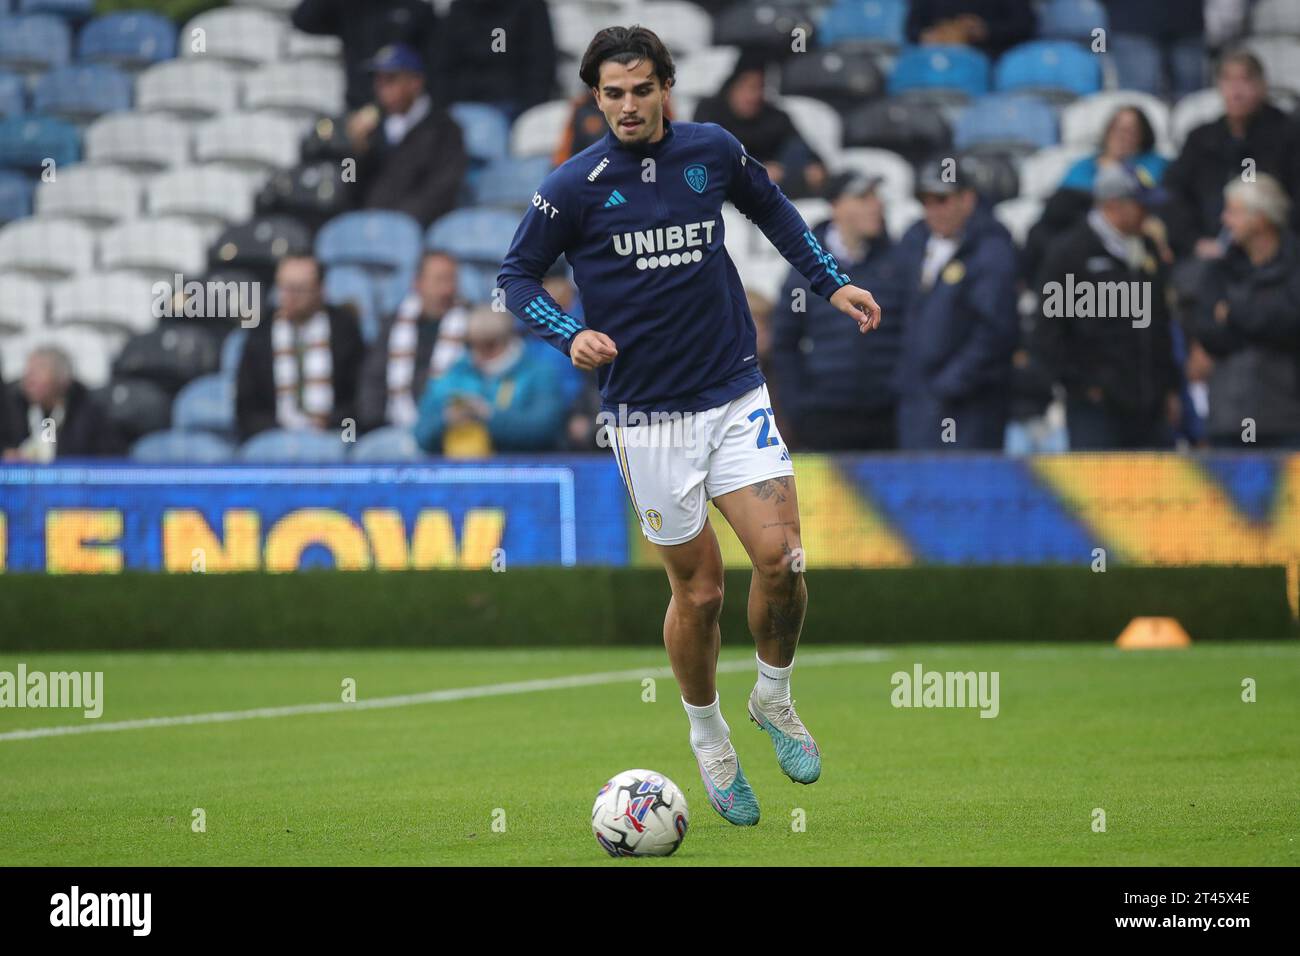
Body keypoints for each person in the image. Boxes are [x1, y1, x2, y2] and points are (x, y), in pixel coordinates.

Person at [496, 26, 882, 827]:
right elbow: (515, 276)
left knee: (783, 559)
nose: (628, 105)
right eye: (613, 93)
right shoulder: (572, 185)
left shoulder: (712, 150)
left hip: (735, 391)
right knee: (700, 591)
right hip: (647, 419)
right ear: (595, 97)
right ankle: (707, 736)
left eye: (641, 89)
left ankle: (772, 698)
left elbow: (774, 210)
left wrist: (832, 283)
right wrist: (568, 334)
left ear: (665, 86)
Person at [1033, 163, 1181, 450]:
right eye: (1141, 205)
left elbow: (1160, 323)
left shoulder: (1148, 249)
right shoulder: (1069, 254)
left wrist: (1169, 387)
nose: (1147, 214)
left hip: (1149, 406)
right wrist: (1083, 386)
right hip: (1095, 410)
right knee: (1098, 493)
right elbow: (1048, 332)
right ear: (1114, 205)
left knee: (1151, 493)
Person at [771, 172, 906, 449]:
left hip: (887, 416)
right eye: (862, 197)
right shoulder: (805, 268)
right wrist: (799, 407)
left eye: (876, 197)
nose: (875, 205)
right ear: (836, 205)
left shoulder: (899, 262)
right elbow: (784, 343)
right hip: (823, 416)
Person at [893, 160, 1019, 450]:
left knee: (965, 490)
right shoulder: (914, 242)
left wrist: (950, 383)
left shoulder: (992, 250)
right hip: (916, 399)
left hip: (969, 406)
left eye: (942, 199)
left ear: (967, 199)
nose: (933, 210)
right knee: (917, 489)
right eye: (926, 201)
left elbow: (996, 331)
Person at [1186, 174, 1300, 448]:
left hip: (1289, 420)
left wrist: (1234, 313)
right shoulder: (1219, 269)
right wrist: (1264, 322)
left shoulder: (1294, 264)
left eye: (1234, 212)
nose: (1225, 220)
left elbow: (1291, 324)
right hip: (1229, 418)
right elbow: (1209, 332)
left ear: (1260, 219)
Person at [1161, 49, 1300, 260]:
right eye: (1228, 80)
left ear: (1262, 86)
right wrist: (1194, 241)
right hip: (1209, 250)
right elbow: (1173, 193)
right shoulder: (1200, 138)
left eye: (1245, 80)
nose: (1236, 91)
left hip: (1276, 252)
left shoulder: (1288, 134)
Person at [1025, 106, 1169, 283]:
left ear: (1143, 136)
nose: (1122, 135)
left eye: (1131, 130)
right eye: (1117, 128)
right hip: (1082, 237)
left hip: (1129, 236)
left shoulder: (1153, 164)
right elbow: (1058, 208)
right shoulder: (1082, 166)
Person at [235, 255, 365, 441]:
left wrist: (336, 427)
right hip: (275, 436)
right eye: (285, 287)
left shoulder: (344, 330)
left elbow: (360, 399)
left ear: (320, 290)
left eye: (300, 289)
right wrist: (279, 429)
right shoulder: (260, 334)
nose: (290, 297)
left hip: (335, 432)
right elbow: (245, 407)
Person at [413, 307, 567, 455]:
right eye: (473, 345)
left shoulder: (538, 374)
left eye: (489, 345)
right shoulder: (454, 375)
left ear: (509, 339)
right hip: (459, 471)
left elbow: (544, 429)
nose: (480, 353)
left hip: (518, 471)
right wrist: (446, 419)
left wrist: (489, 416)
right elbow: (421, 433)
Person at [348, 43, 468, 228]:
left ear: (415, 83)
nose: (381, 88)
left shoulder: (445, 129)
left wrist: (397, 222)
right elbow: (350, 190)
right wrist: (357, 152)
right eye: (378, 80)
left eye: (391, 79)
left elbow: (443, 191)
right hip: (370, 229)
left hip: (420, 230)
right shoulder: (373, 129)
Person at [358, 250, 469, 433]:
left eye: (452, 280)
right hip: (393, 426)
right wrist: (375, 424)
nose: (447, 290)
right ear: (418, 283)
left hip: (452, 429)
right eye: (439, 280)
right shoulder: (392, 325)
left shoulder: (471, 324)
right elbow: (373, 380)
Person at [693, 51, 827, 200]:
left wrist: (810, 168)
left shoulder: (776, 118)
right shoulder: (709, 112)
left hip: (779, 194)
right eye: (747, 87)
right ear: (732, 85)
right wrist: (757, 172)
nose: (753, 95)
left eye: (759, 87)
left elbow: (810, 156)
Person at [290, 0, 437, 112]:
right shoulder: (349, 7)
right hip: (359, 110)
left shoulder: (417, 10)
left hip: (404, 112)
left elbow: (432, 67)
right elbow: (303, 19)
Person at [429, 0, 557, 122]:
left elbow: (540, 65)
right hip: (462, 104)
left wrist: (528, 114)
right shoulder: (460, 8)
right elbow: (441, 65)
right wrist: (443, 109)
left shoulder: (530, 7)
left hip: (512, 104)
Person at [1, 346, 111, 461]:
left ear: (62, 378)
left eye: (40, 369)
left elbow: (105, 459)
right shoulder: (11, 408)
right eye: (28, 370)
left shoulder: (88, 413)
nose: (30, 378)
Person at [906, 0, 1037, 58]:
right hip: (935, 54)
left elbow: (1025, 25)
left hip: (991, 58)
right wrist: (927, 36)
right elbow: (912, 28)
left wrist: (986, 30)